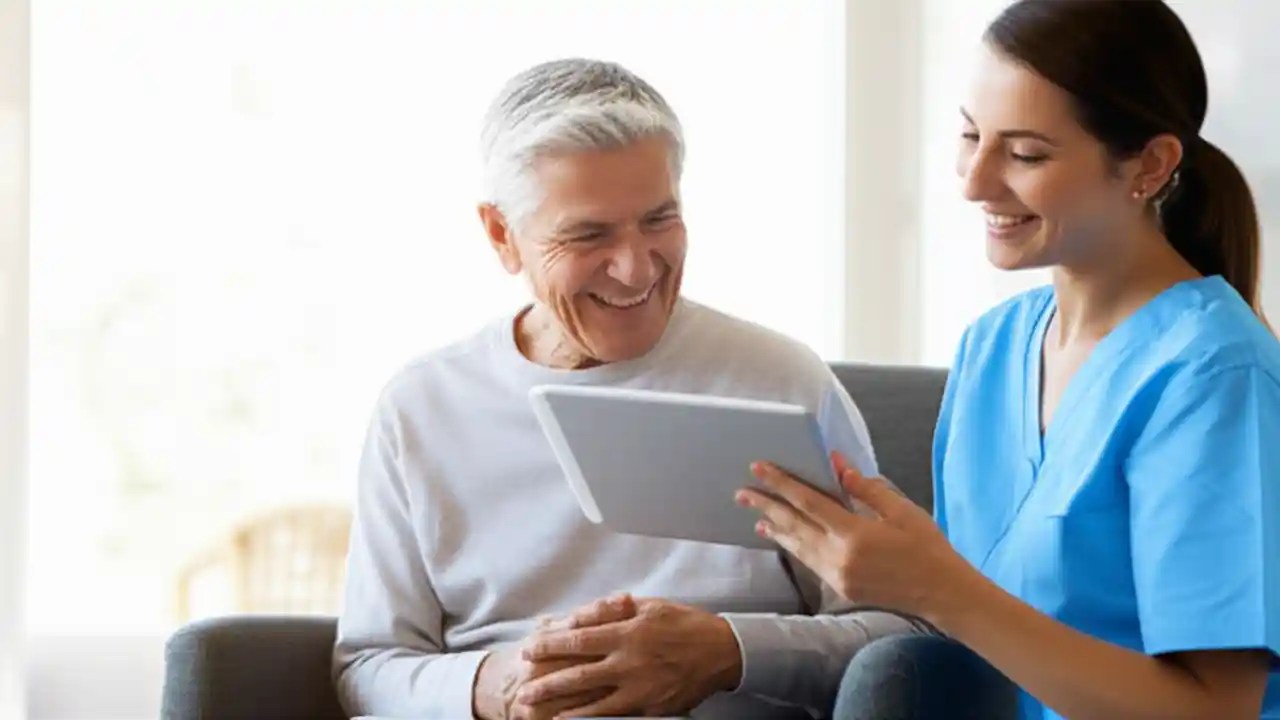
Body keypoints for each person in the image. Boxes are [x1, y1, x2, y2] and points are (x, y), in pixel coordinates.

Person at [332, 58, 926, 720]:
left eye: (658, 220)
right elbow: (368, 666)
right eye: (588, 235)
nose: (636, 267)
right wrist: (497, 687)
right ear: (503, 236)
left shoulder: (779, 381)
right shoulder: (421, 408)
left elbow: (902, 638)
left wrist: (728, 650)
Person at [736, 1, 1280, 719]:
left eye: (1026, 154)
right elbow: (961, 635)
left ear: (1149, 165)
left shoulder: (1215, 377)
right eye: (970, 136)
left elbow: (1217, 710)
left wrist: (938, 587)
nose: (974, 181)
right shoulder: (993, 347)